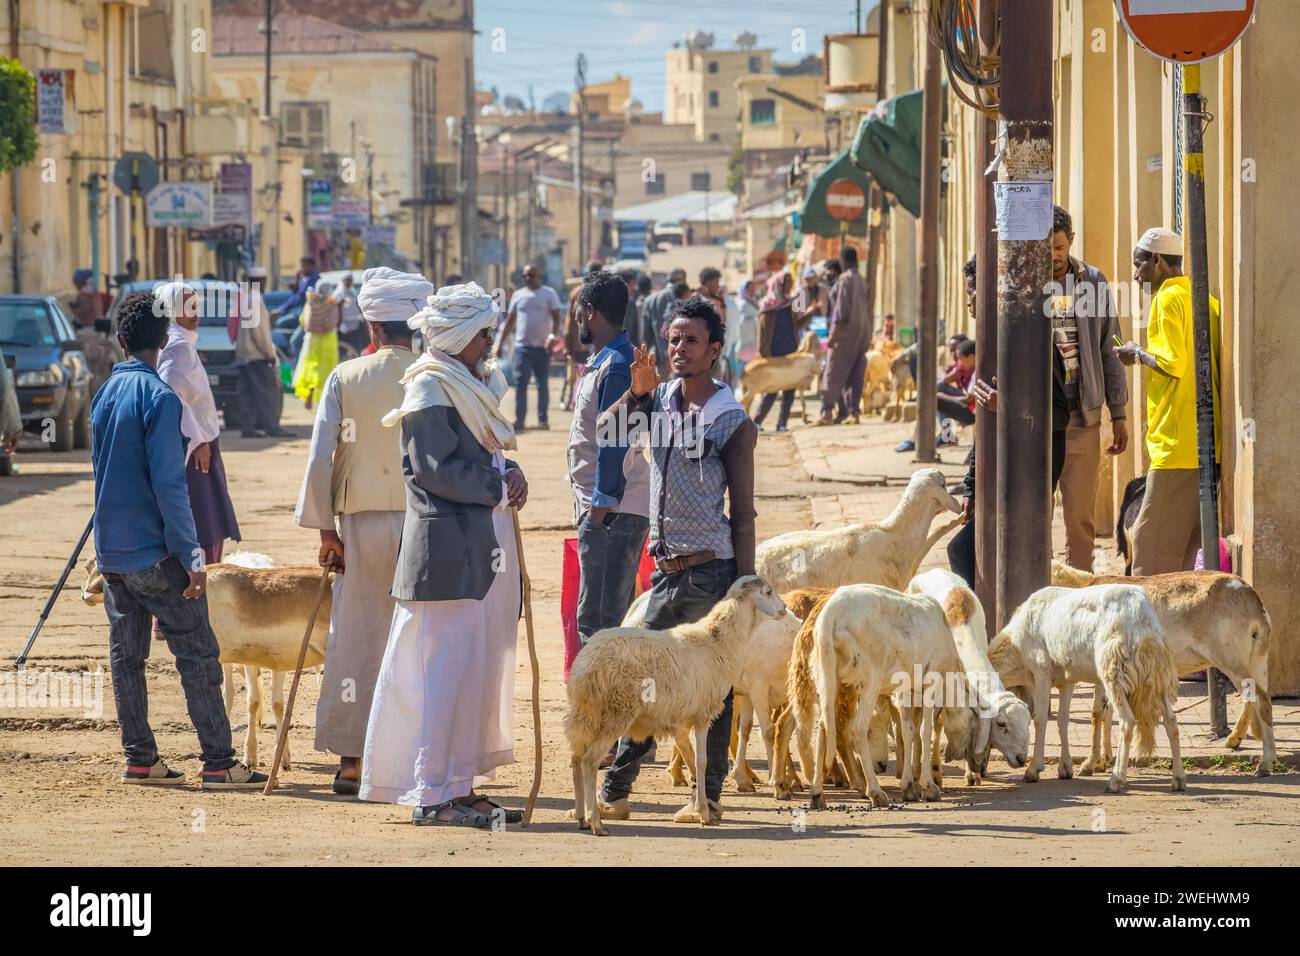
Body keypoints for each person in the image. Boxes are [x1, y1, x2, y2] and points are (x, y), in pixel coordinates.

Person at [360, 281, 529, 828]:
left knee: (469, 677)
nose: (488, 345)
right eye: (483, 335)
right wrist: (495, 486)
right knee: (438, 682)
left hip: (473, 557)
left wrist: (509, 474)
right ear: (459, 335)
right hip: (443, 556)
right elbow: (435, 472)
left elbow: (483, 459)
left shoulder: (460, 384)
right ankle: (431, 795)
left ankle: (459, 787)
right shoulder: (428, 392)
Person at [89, 291, 266, 790]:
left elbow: (101, 471)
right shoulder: (161, 398)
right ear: (164, 339)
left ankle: (141, 760)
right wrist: (192, 557)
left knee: (127, 657)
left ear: (121, 340)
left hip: (113, 553)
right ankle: (219, 762)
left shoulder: (104, 394)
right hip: (155, 554)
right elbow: (171, 484)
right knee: (197, 651)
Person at [596, 294, 757, 825]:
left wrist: (746, 584)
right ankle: (619, 792)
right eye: (673, 340)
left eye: (691, 341)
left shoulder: (729, 418)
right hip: (667, 573)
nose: (679, 349)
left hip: (711, 573)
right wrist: (635, 397)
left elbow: (744, 511)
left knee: (711, 691)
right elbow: (606, 433)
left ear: (714, 349)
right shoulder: (659, 399)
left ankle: (703, 798)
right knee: (646, 681)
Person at [295, 267, 432, 796]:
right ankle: (417, 760)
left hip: (360, 525)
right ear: (413, 326)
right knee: (422, 639)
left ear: (371, 324)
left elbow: (319, 458)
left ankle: (353, 762)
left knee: (357, 639)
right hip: (428, 523)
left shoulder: (345, 377)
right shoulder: (434, 375)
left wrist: (326, 531)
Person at [948, 255, 1071, 587]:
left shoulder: (1032, 341)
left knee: (977, 555)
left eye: (972, 290)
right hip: (998, 477)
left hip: (1028, 477)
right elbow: (983, 430)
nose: (968, 300)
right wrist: (972, 486)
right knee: (972, 554)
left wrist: (1010, 407)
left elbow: (1060, 415)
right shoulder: (991, 342)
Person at [1118, 226, 1221, 575]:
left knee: (1150, 548)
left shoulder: (1165, 300)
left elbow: (1171, 363)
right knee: (1185, 552)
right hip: (1206, 444)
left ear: (1157, 260)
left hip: (1175, 444)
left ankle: (1150, 628)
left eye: (1138, 265)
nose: (1135, 275)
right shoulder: (1203, 298)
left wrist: (1136, 353)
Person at [567, 270, 650, 649]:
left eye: (578, 311)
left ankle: (605, 709)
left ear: (590, 312)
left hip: (611, 513)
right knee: (606, 622)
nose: (575, 319)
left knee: (599, 626)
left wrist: (599, 511)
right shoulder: (606, 360)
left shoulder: (618, 365)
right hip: (610, 512)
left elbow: (614, 439)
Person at [1049, 205, 1130, 571]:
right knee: (1033, 520)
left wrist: (1119, 413)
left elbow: (1110, 350)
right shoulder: (1026, 284)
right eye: (1045, 248)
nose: (1052, 257)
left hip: (1083, 421)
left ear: (1071, 243)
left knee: (1080, 522)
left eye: (1059, 248)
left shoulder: (1093, 282)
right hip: (1041, 423)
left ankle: (1079, 593)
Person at [155, 283, 241, 566]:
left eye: (196, 305)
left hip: (197, 444)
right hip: (193, 450)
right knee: (205, 521)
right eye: (186, 306)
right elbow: (171, 395)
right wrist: (198, 440)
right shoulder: (177, 346)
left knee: (207, 518)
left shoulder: (180, 341)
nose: (195, 312)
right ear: (169, 310)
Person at [497, 264, 562, 430]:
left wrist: (552, 337)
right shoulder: (518, 295)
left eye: (531, 275)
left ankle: (543, 419)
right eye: (525, 276)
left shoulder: (549, 294)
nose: (528, 279)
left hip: (542, 347)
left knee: (542, 383)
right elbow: (510, 321)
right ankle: (519, 419)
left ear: (538, 276)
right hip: (522, 347)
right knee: (520, 382)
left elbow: (556, 318)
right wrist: (500, 343)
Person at [232, 266, 292, 438]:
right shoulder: (255, 299)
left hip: (244, 354)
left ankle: (248, 427)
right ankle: (272, 427)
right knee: (269, 393)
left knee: (247, 393)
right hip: (256, 354)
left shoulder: (247, 298)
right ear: (261, 281)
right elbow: (259, 332)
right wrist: (269, 354)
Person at [818, 246, 872, 426]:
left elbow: (840, 313)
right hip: (862, 334)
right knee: (855, 376)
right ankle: (853, 412)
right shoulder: (862, 281)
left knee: (833, 373)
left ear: (844, 260)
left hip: (844, 335)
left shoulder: (844, 281)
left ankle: (826, 412)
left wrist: (833, 336)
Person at [753, 272, 802, 432]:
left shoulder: (790, 303)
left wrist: (810, 311)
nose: (789, 285)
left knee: (790, 389)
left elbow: (798, 325)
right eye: (786, 282)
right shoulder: (768, 305)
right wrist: (763, 355)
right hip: (773, 355)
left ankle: (782, 424)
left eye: (790, 282)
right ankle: (757, 422)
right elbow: (762, 332)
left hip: (791, 353)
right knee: (772, 390)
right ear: (778, 284)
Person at [293, 280, 340, 410]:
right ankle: (326, 401)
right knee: (327, 370)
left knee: (311, 368)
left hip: (312, 341)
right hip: (328, 341)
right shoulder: (331, 303)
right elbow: (333, 322)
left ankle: (310, 394)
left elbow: (303, 320)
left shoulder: (310, 301)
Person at [641, 268, 687, 372]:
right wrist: (666, 356)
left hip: (660, 355)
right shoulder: (668, 296)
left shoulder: (654, 297)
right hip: (665, 358)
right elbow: (661, 329)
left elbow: (645, 334)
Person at [334, 273, 367, 356]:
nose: (349, 282)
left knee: (357, 349)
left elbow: (357, 308)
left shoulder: (353, 293)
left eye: (350, 280)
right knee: (344, 351)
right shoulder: (338, 294)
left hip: (355, 326)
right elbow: (336, 312)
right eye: (347, 280)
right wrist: (341, 326)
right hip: (344, 327)